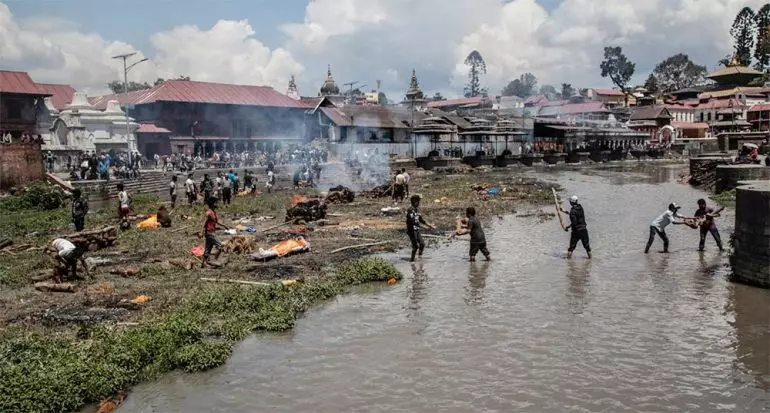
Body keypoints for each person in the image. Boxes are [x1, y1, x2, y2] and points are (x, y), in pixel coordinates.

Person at [201, 197, 230, 268]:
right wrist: (201, 232)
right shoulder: (209, 213)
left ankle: (203, 264)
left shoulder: (213, 212)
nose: (217, 204)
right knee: (220, 246)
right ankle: (214, 259)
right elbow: (203, 223)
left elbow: (216, 221)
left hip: (210, 232)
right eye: (215, 202)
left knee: (208, 249)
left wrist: (224, 225)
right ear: (212, 203)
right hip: (210, 233)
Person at [406, 195, 435, 262]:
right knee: (415, 247)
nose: (419, 202)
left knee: (422, 244)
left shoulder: (416, 210)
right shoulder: (410, 210)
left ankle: (419, 257)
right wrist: (425, 228)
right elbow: (413, 222)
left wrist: (429, 225)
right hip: (412, 231)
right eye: (418, 201)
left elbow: (421, 219)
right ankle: (412, 261)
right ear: (414, 201)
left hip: (417, 230)